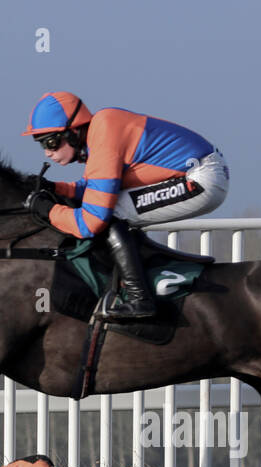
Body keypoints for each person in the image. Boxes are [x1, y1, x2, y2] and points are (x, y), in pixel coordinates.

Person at [21, 91, 228, 320]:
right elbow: (92, 189)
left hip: (201, 178)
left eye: (51, 141)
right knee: (107, 206)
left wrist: (48, 211)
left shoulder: (105, 134)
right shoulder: (100, 131)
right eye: (41, 145)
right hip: (200, 171)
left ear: (73, 131)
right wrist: (55, 188)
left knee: (110, 214)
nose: (48, 152)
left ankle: (140, 299)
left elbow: (90, 223)